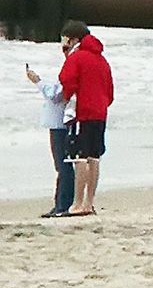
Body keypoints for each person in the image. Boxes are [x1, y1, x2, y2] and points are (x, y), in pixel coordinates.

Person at [57, 19, 112, 218]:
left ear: (72, 39)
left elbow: (66, 81)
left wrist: (66, 99)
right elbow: (110, 91)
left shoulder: (76, 57)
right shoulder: (101, 59)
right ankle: (89, 202)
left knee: (79, 157)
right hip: (100, 112)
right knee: (94, 157)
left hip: (82, 111)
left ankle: (78, 202)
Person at [24, 58, 75, 217]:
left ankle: (63, 204)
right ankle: (60, 203)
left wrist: (38, 81)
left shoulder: (69, 75)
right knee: (63, 165)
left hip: (60, 124)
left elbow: (54, 94)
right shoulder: (70, 74)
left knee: (63, 165)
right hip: (61, 123)